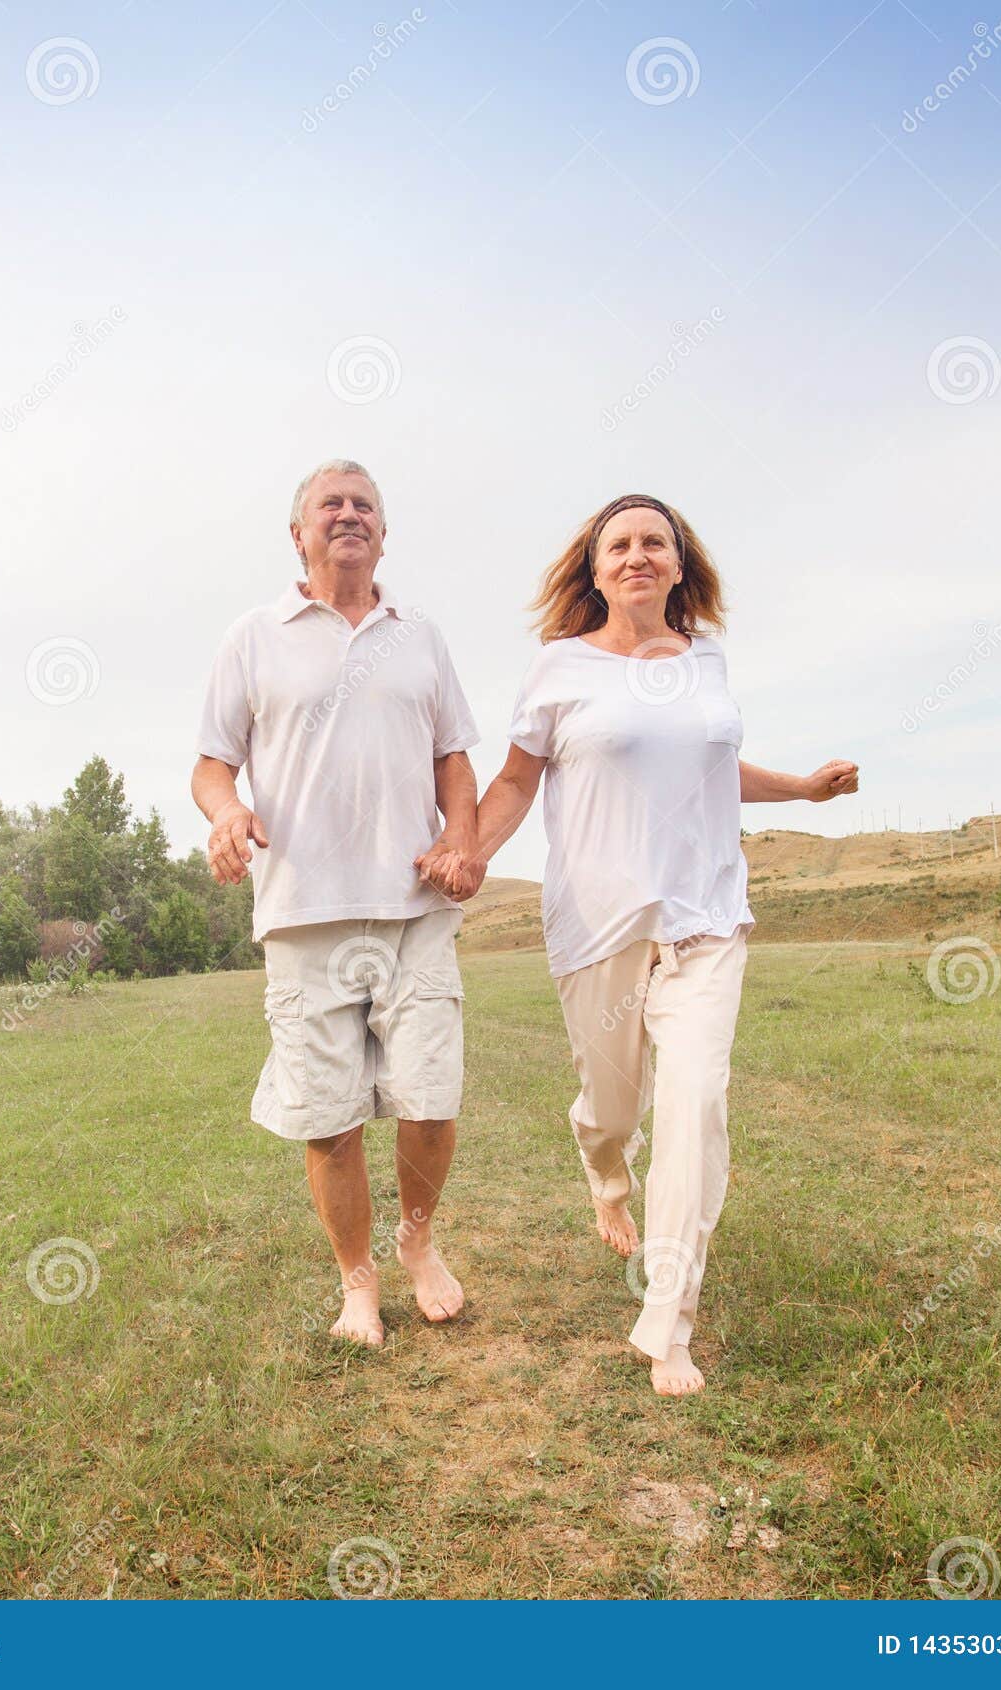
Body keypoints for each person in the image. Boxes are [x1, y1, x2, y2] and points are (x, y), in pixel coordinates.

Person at [423, 493, 857, 1396]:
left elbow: (715, 767)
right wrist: (467, 850)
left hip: (704, 920)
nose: (637, 556)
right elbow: (513, 780)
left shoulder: (705, 662)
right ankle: (602, 1163)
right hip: (598, 928)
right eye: (618, 544)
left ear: (678, 561)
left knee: (694, 1106)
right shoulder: (558, 671)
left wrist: (805, 791)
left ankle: (669, 1323)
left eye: (653, 542)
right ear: (594, 569)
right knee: (614, 1111)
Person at [192, 459, 481, 1349]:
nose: (349, 516)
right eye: (332, 505)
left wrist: (462, 840)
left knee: (431, 1100)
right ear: (299, 534)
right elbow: (210, 764)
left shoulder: (420, 636)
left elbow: (456, 762)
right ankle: (357, 1282)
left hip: (413, 906)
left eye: (365, 506)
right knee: (330, 1115)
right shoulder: (253, 635)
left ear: (383, 535)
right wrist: (229, 811)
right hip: (303, 911)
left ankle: (418, 1243)